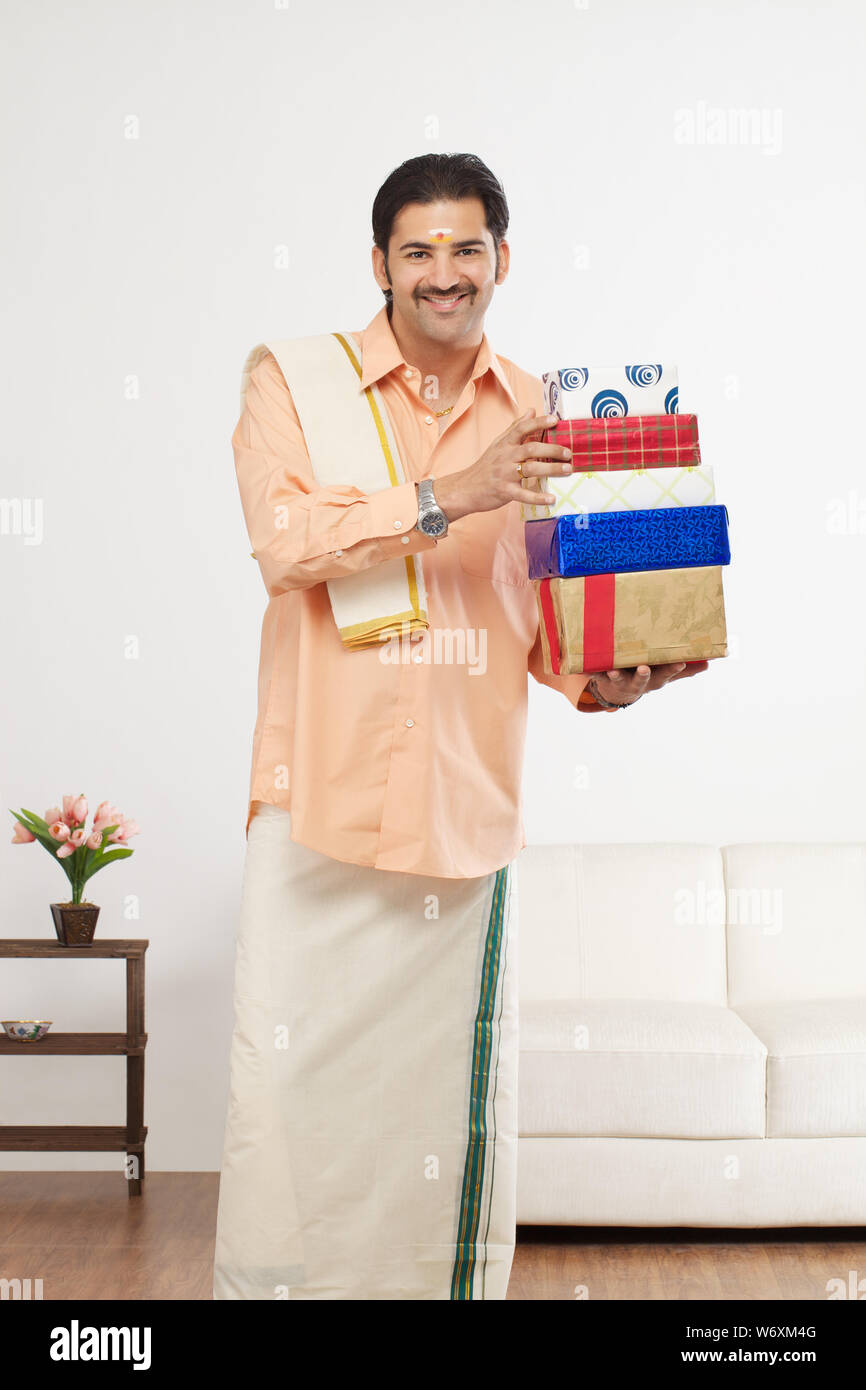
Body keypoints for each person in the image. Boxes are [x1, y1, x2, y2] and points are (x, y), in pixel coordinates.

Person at [212, 152, 707, 1301]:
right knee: (284, 1103)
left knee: (437, 1111)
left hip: (458, 812)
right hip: (316, 805)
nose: (445, 274)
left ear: (500, 261)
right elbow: (287, 544)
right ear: (379, 264)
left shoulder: (542, 407)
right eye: (420, 251)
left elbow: (537, 616)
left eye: (467, 249)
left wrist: (617, 677)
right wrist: (458, 491)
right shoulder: (291, 380)